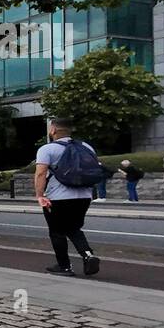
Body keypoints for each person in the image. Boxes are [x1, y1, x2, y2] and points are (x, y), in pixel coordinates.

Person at [34, 118, 101, 276]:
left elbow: (41, 173)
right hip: (84, 196)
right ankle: (88, 255)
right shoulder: (86, 147)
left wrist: (39, 195)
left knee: (57, 231)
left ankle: (64, 266)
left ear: (53, 130)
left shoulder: (47, 149)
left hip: (58, 197)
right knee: (73, 228)